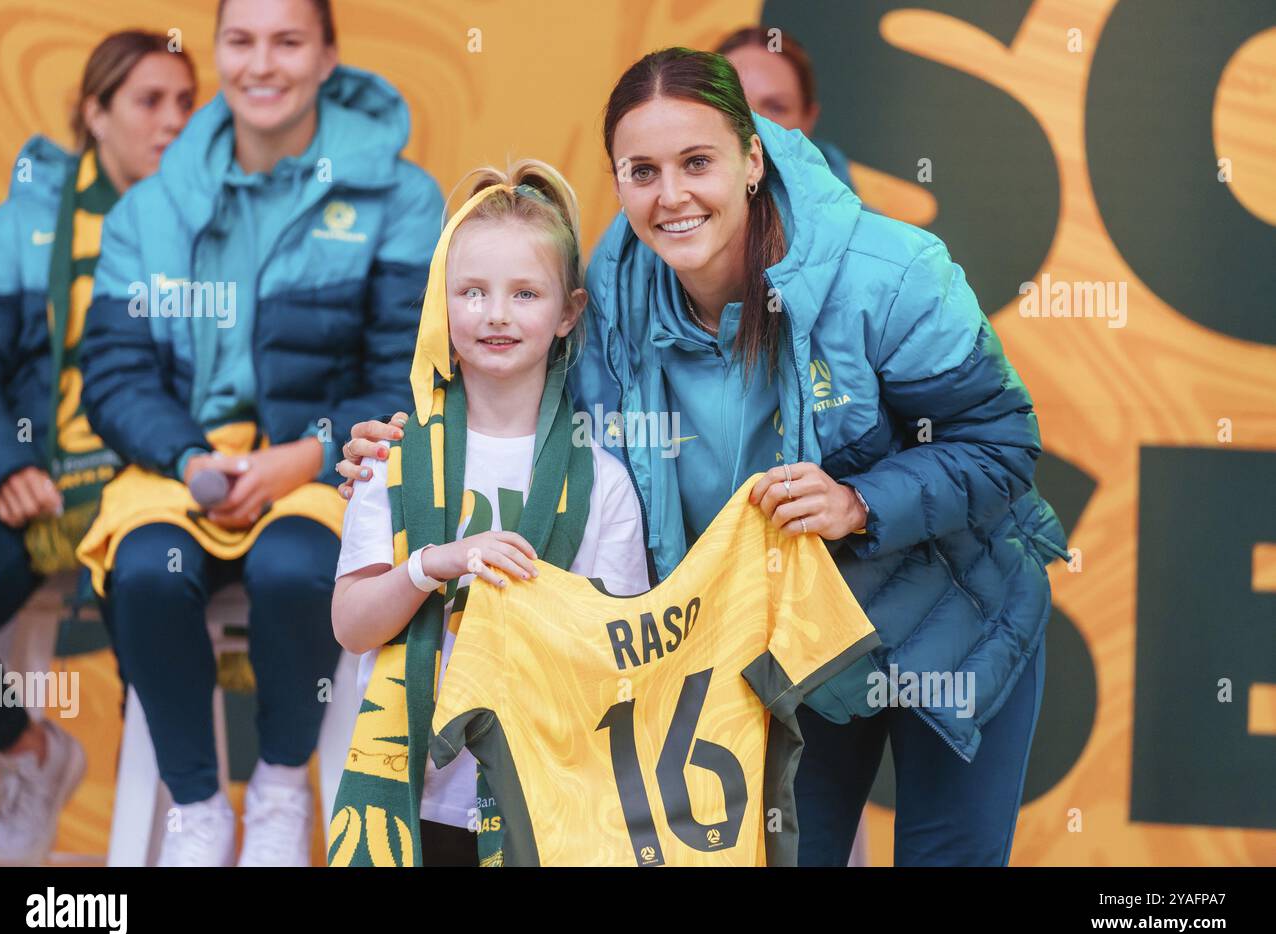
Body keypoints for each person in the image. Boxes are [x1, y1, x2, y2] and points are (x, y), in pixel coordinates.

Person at [339, 48, 1070, 866]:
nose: (671, 195)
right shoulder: (609, 286)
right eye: (641, 170)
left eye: (697, 162)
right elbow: (522, 389)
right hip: (786, 649)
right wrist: (414, 444)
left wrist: (860, 503)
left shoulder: (891, 272)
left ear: (752, 156)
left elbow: (1002, 442)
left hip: (952, 621)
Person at [75, 0, 442, 866]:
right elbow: (117, 376)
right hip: (182, 464)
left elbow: (406, 376)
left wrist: (306, 455)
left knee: (294, 570)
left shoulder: (399, 195)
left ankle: (280, 790)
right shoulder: (150, 208)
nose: (262, 64)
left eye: (288, 41)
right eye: (240, 41)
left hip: (331, 466)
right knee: (146, 573)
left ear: (327, 57)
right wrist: (190, 457)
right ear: (217, 54)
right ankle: (198, 808)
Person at [329, 161, 649, 867]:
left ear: (568, 312)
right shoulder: (393, 460)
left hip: (546, 795)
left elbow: (618, 662)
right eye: (471, 292)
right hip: (411, 797)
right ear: (442, 305)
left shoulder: (603, 481)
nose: (496, 313)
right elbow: (353, 626)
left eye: (524, 293)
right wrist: (427, 566)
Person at [0, 31, 196, 867]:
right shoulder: (27, 219)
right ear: (94, 114)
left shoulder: (211, 219)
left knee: (158, 620)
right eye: (149, 102)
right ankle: (31, 748)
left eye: (186, 102)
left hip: (152, 484)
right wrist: (4, 463)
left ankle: (172, 834)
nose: (172, 121)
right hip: (36, 477)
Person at [716, 26, 856, 192]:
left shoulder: (861, 217)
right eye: (730, 103)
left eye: (776, 108)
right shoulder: (681, 208)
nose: (751, 123)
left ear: (808, 120)